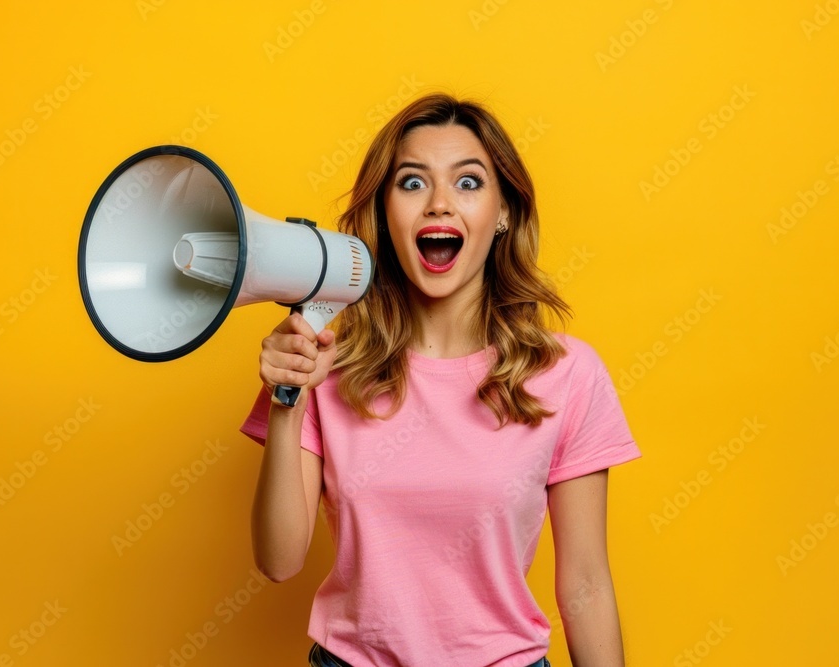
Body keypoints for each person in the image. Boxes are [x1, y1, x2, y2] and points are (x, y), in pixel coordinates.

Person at [241, 93, 641, 667]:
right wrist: (289, 401)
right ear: (384, 215)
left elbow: (585, 585)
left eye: (468, 182)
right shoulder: (325, 366)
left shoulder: (567, 374)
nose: (438, 204)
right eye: (412, 183)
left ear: (504, 213)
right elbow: (278, 561)